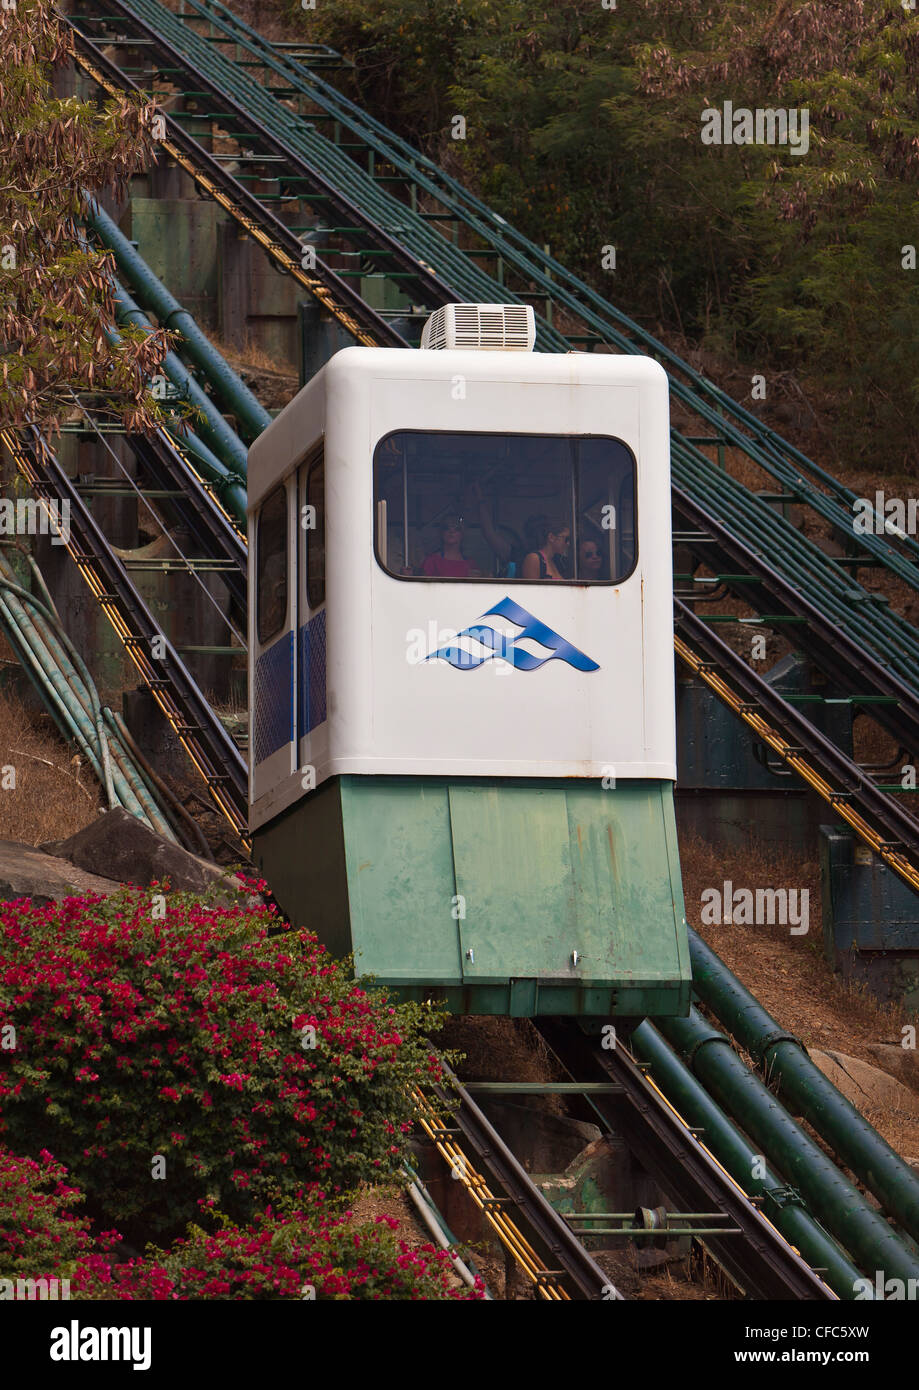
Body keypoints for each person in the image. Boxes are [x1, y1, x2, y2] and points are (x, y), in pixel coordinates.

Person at [521, 516, 570, 580]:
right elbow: (531, 589)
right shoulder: (534, 558)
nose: (568, 543)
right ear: (551, 537)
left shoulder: (557, 561)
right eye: (566, 539)